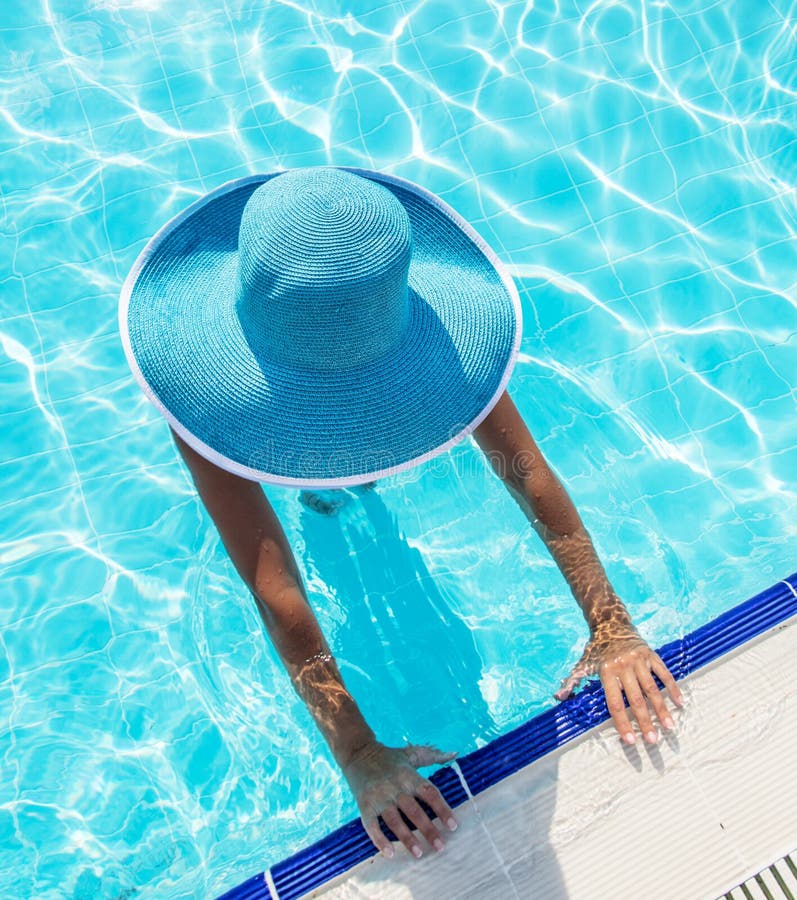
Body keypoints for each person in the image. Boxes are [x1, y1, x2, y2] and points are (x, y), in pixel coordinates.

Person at [119, 165, 684, 864]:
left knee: (323, 480)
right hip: (381, 370)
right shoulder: (441, 359)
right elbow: (526, 475)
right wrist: (610, 623)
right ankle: (352, 472)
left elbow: (277, 593)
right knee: (363, 451)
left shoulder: (212, 402)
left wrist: (358, 750)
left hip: (275, 398)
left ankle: (331, 485)